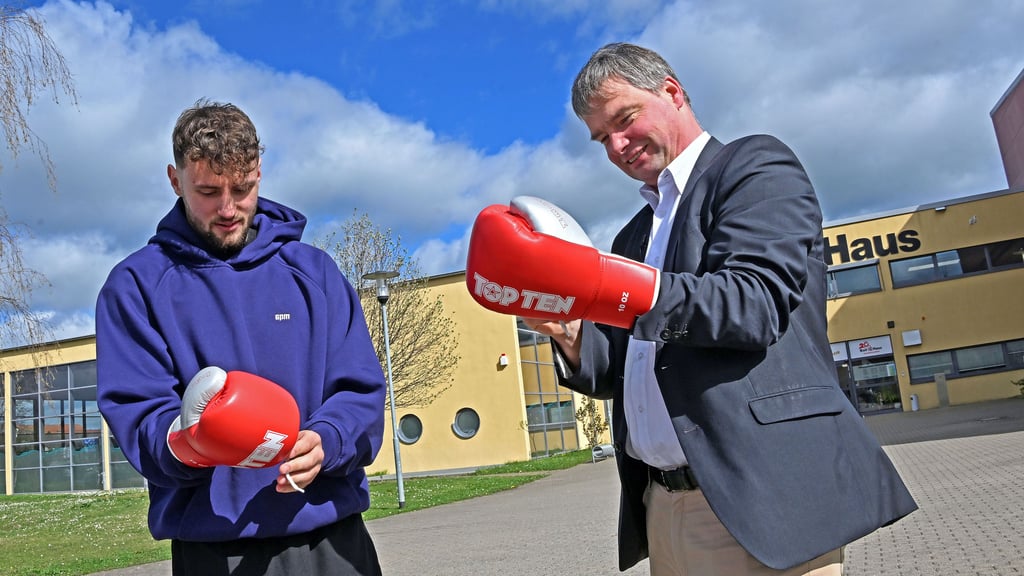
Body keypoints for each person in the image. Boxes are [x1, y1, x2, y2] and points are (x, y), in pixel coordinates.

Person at [465, 43, 917, 575]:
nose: (616, 145)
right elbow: (623, 367)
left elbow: (754, 305)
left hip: (761, 501)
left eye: (625, 119)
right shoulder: (632, 234)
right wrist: (567, 330)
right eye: (600, 138)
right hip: (663, 507)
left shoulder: (753, 168)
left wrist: (603, 283)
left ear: (673, 93)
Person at [96, 99, 387, 576]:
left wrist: (328, 439)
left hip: (333, 541)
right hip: (215, 551)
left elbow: (361, 393)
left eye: (243, 187)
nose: (229, 208)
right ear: (175, 180)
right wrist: (188, 440)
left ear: (260, 174)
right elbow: (138, 413)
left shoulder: (314, 272)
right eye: (208, 191)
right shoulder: (136, 287)